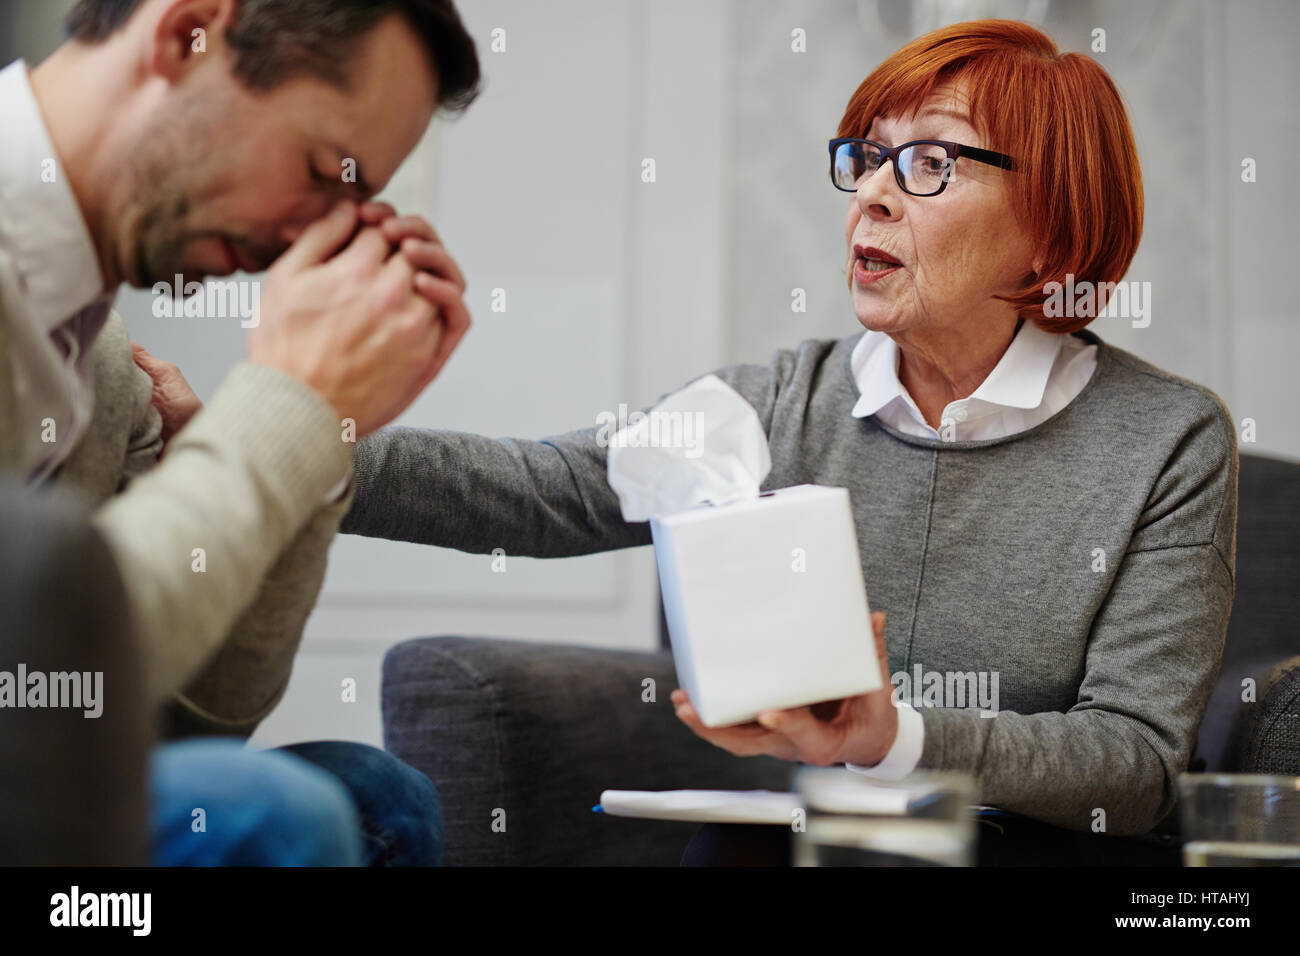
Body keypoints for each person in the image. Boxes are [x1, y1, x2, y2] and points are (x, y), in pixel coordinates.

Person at [338, 20, 1236, 864]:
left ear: (1049, 234)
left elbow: (1135, 764)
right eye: (870, 156)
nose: (873, 195)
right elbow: (541, 487)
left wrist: (896, 738)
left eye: (930, 162)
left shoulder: (1166, 439)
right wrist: (280, 444)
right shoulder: (780, 401)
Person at [0, 0, 477, 865]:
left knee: (374, 796)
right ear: (187, 34)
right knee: (270, 811)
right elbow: (49, 652)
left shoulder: (101, 361)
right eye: (321, 170)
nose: (309, 239)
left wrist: (322, 436)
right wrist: (283, 407)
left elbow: (195, 716)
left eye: (355, 201)